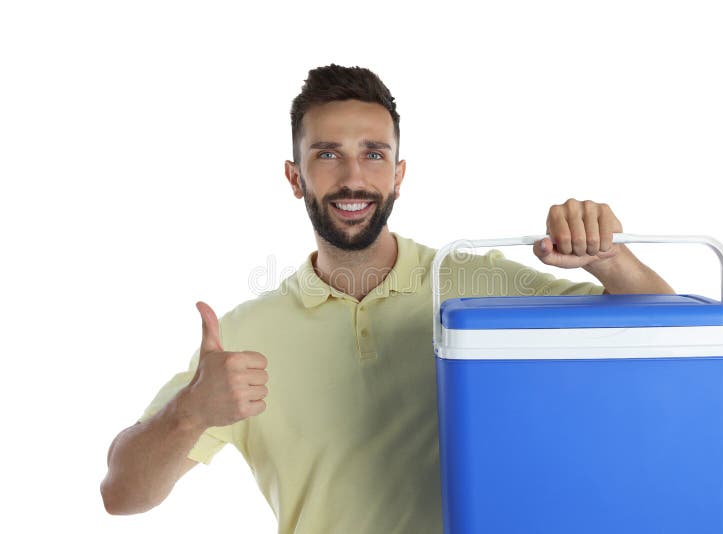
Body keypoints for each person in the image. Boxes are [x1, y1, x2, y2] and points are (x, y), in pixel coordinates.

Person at [100, 64, 674, 533]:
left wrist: (608, 257)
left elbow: (671, 335)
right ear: (294, 177)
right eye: (327, 155)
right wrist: (191, 412)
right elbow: (121, 494)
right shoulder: (244, 336)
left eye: (373, 154)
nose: (353, 177)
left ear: (399, 174)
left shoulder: (477, 285)